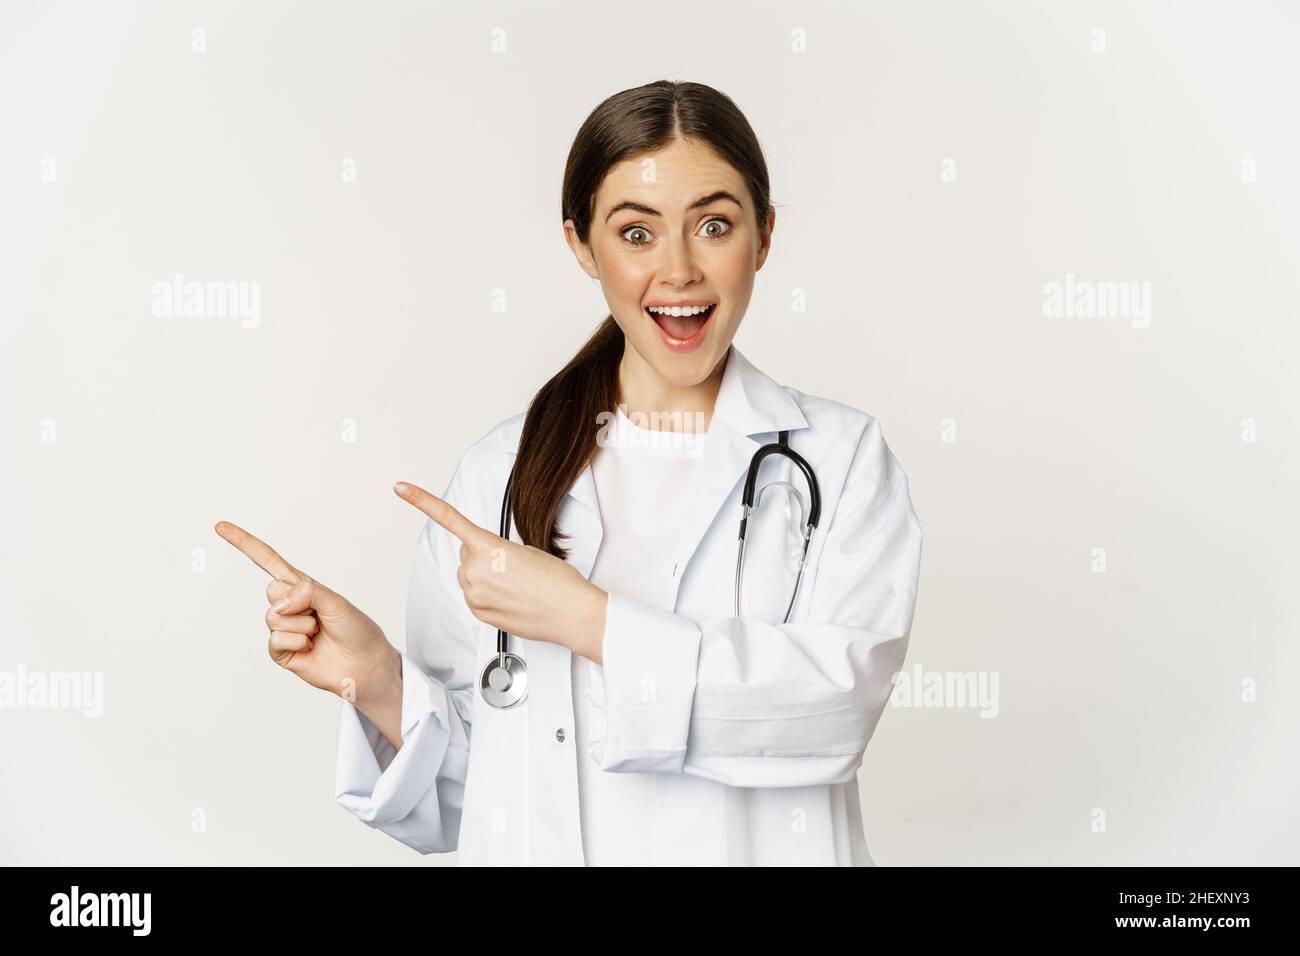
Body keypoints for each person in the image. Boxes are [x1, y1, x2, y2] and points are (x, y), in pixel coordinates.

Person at [216, 79, 923, 865]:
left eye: (714, 225)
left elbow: (833, 715)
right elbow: (475, 798)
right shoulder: (499, 477)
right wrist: (378, 678)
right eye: (635, 233)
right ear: (581, 245)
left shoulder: (841, 459)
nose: (679, 269)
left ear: (763, 238)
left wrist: (588, 620)